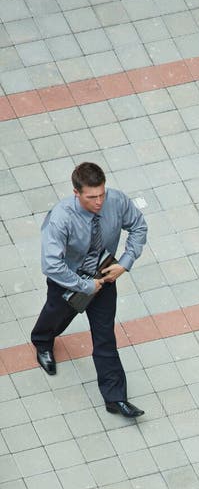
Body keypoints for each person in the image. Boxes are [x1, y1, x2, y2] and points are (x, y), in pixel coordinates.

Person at [31, 162, 148, 418]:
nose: (99, 202)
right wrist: (84, 285)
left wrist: (125, 264)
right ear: (77, 193)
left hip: (104, 277)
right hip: (69, 280)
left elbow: (139, 227)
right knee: (55, 316)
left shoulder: (116, 201)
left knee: (105, 336)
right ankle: (42, 341)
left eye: (101, 194)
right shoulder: (61, 217)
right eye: (91, 197)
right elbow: (51, 264)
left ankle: (115, 397)